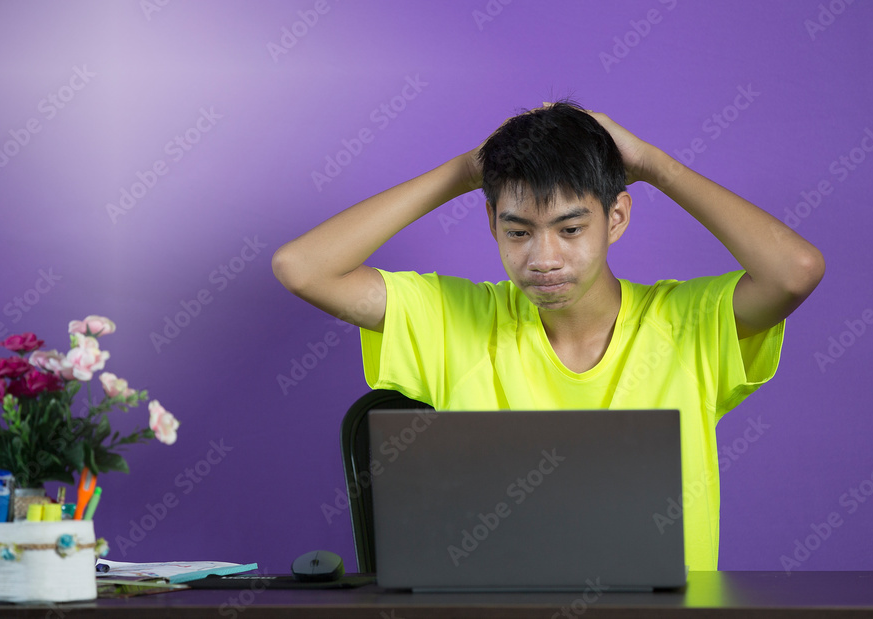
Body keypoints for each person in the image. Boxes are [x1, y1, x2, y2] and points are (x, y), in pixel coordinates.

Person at [272, 100, 824, 570]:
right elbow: (302, 267)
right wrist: (468, 169)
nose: (544, 259)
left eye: (571, 229)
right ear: (492, 224)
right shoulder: (454, 320)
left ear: (617, 218)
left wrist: (652, 165)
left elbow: (794, 270)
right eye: (518, 231)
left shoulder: (687, 324)